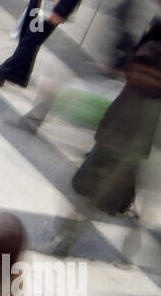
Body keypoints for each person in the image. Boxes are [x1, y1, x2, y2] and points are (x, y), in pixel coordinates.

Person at [51, 33, 161, 254]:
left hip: (137, 137)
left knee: (98, 192)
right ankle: (68, 237)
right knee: (91, 190)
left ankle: (67, 240)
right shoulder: (154, 33)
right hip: (123, 133)